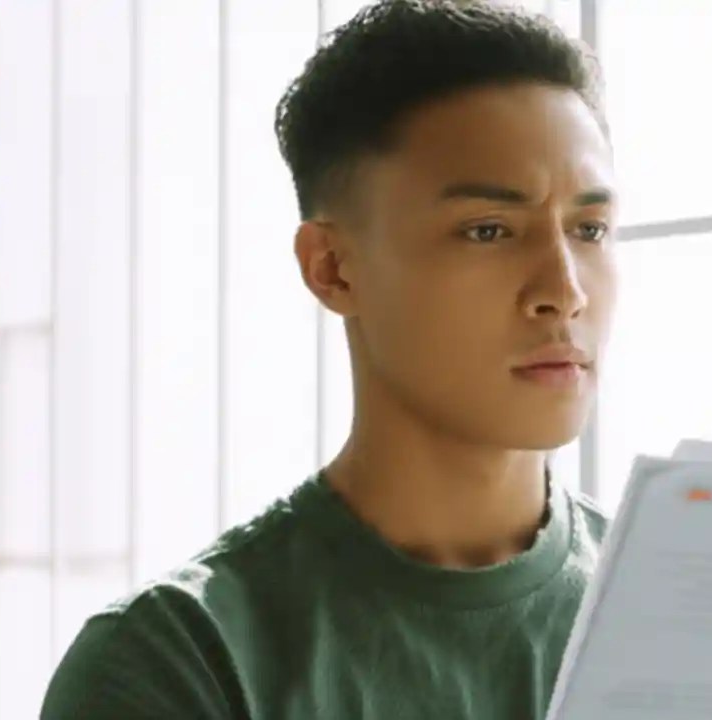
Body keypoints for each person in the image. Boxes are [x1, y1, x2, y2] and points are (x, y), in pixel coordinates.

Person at [41, 0, 617, 717]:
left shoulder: (675, 609)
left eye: (589, 229)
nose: (563, 292)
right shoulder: (181, 660)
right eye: (489, 230)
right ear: (334, 268)